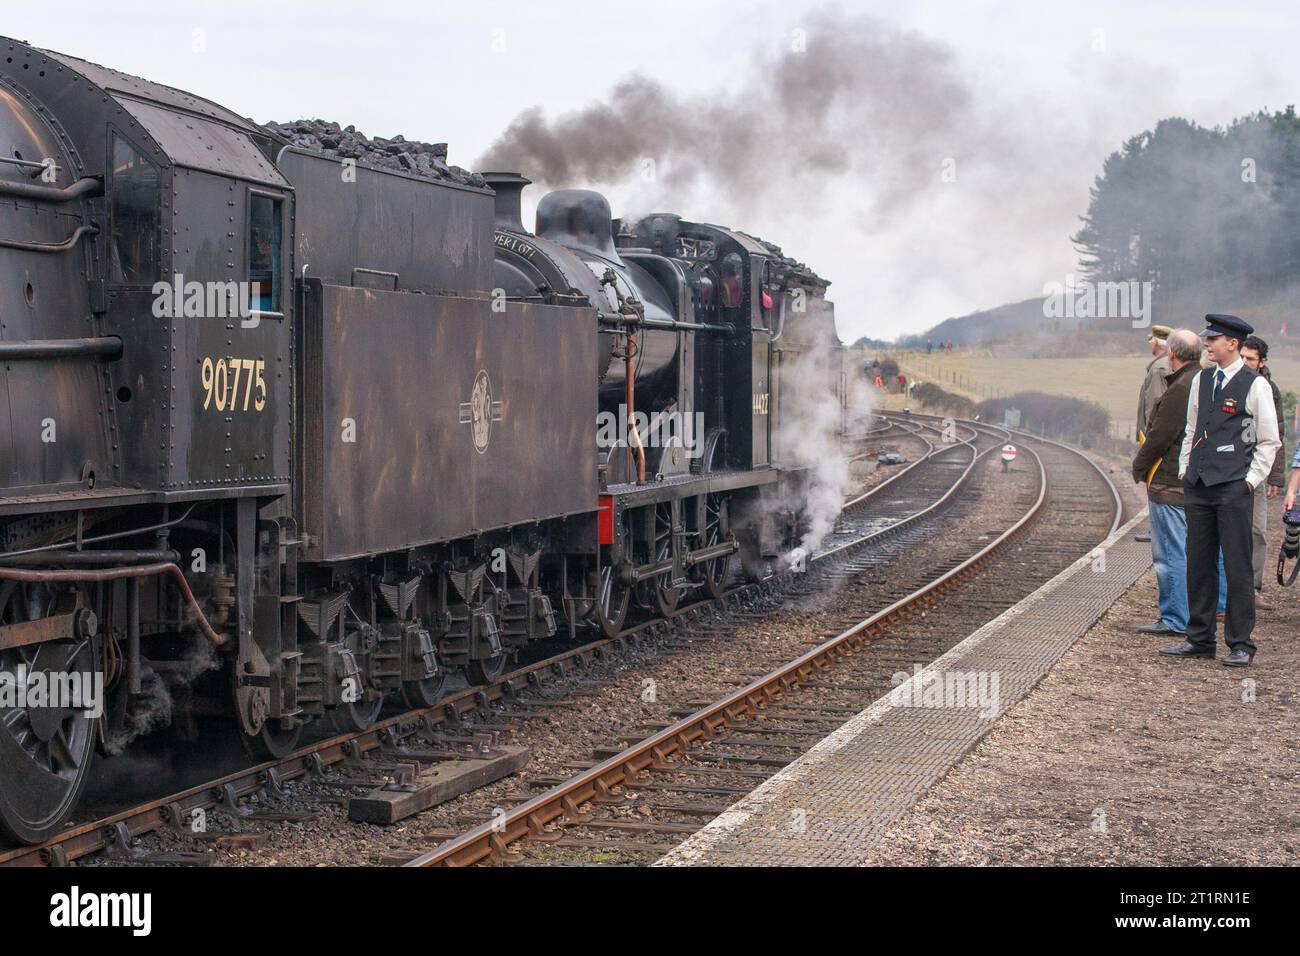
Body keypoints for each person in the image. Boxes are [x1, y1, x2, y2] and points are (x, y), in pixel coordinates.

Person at [1162, 314, 1280, 666]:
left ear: (1233, 343)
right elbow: (1191, 426)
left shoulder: (1254, 385)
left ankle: (1241, 643)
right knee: (1199, 562)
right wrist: (1186, 468)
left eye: (1214, 339)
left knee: (1238, 565)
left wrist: (1249, 480)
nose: (1207, 344)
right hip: (1198, 484)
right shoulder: (1202, 379)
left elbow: (1269, 440)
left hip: (1233, 487)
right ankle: (1199, 638)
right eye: (1206, 339)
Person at [1131, 329, 1201, 636]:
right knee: (1183, 550)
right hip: (1186, 481)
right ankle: (1183, 615)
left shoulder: (1181, 387)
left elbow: (1161, 434)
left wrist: (1139, 465)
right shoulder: (1200, 379)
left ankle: (1174, 618)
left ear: (1171, 353)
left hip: (1169, 482)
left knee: (1170, 553)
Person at [1240, 335, 1286, 604]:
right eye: (1243, 357)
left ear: (1262, 361)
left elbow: (1277, 433)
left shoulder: (1270, 389)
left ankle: (1253, 587)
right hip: (1229, 466)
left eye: (1251, 359)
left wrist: (1276, 476)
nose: (1246, 363)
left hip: (1258, 467)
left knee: (1256, 528)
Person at [1136, 325, 1172, 441]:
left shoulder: (1158, 368)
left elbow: (1154, 404)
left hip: (1155, 437)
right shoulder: (1169, 363)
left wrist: (1151, 438)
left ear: (1155, 343)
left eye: (1151, 341)